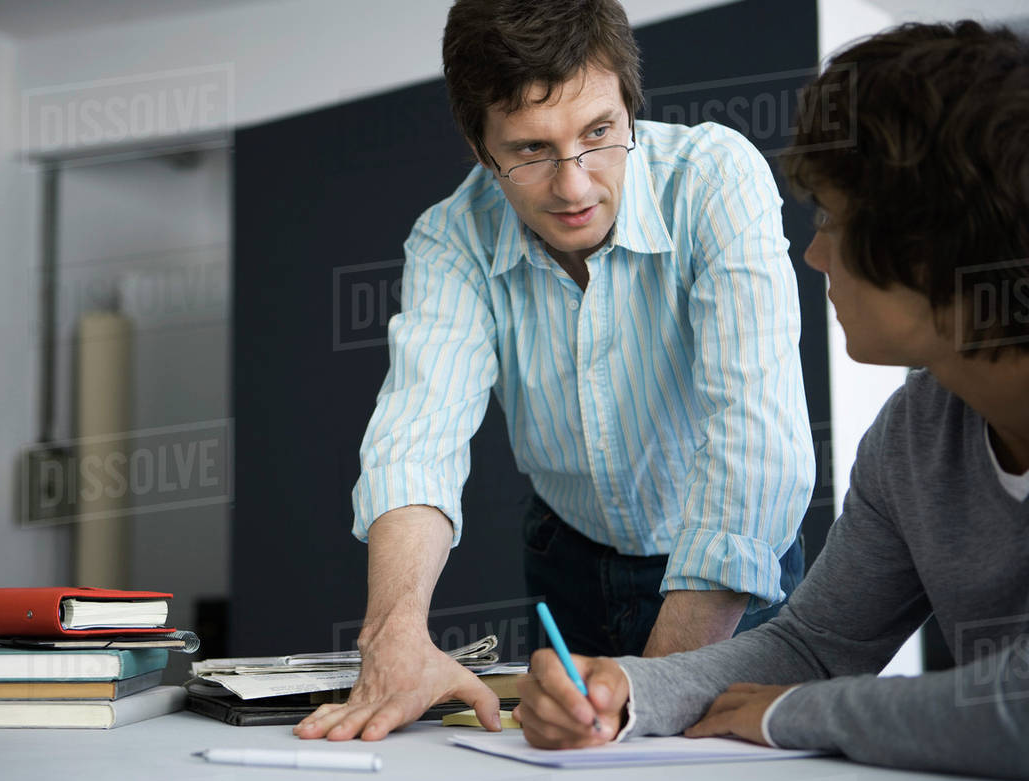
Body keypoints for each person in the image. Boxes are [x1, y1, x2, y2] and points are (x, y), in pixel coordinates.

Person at [513, 20, 1029, 781]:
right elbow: (813, 647)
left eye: (833, 221)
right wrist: (628, 689)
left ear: (927, 249)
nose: (814, 252)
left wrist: (788, 713)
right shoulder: (914, 436)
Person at [296, 0, 816, 743]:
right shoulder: (451, 238)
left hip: (733, 561)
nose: (574, 187)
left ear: (631, 107)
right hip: (570, 561)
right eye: (532, 150)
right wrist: (393, 634)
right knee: (573, 772)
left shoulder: (714, 178)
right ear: (481, 149)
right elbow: (416, 440)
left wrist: (651, 692)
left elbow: (756, 442)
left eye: (598, 134)